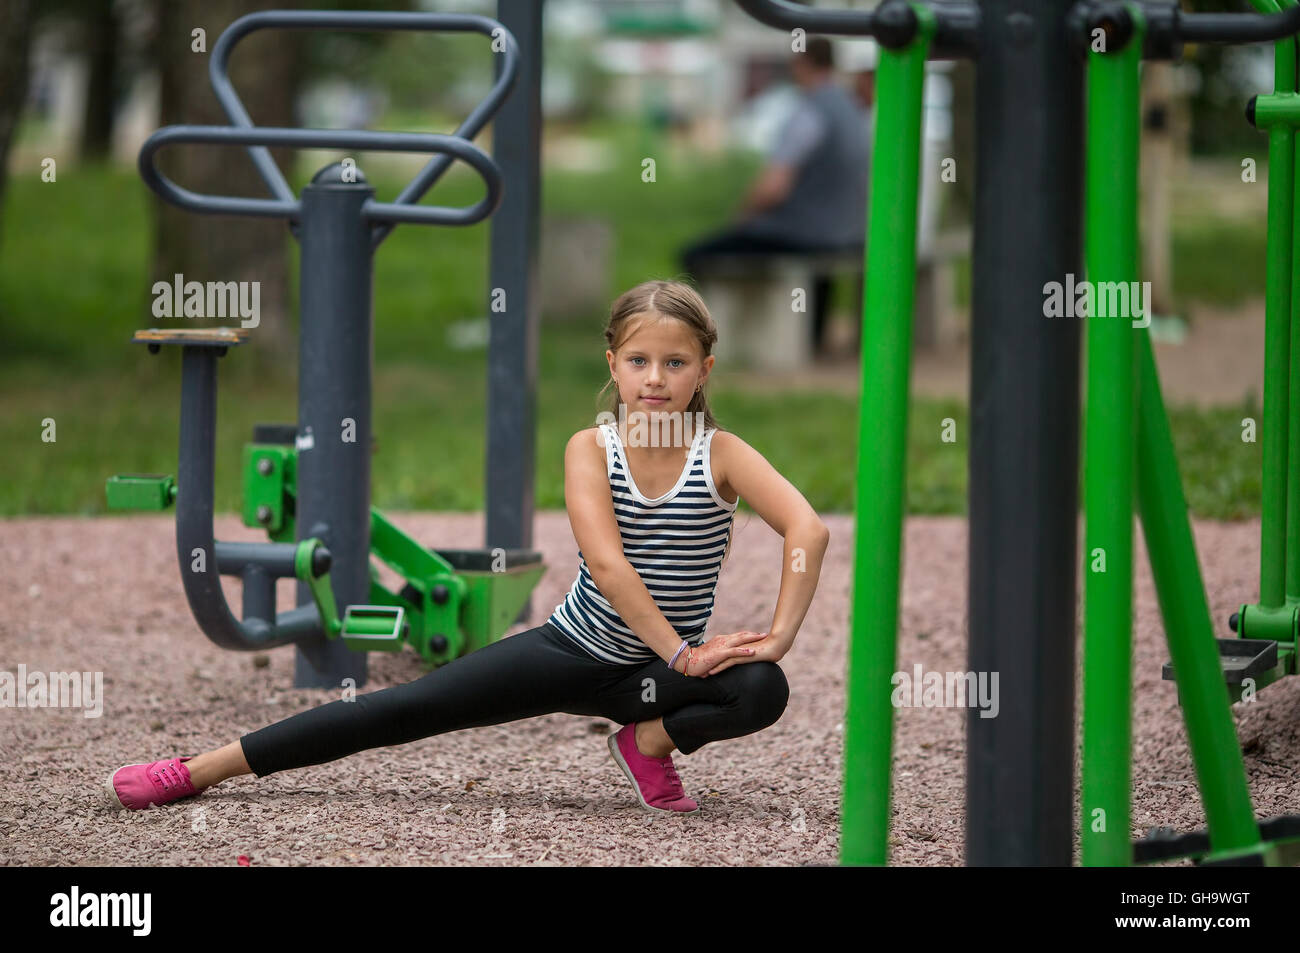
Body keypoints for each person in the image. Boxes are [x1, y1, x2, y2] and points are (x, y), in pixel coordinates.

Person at [104, 279, 831, 816]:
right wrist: (683, 653)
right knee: (394, 711)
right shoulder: (591, 449)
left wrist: (777, 638)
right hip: (571, 653)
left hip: (658, 675)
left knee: (762, 689)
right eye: (639, 361)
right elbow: (606, 565)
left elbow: (808, 529)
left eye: (676, 364)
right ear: (613, 365)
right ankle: (198, 770)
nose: (655, 379)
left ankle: (645, 746)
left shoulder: (723, 454)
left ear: (705, 370)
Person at [680, 36, 870, 358]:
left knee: (696, 254)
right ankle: (812, 339)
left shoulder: (809, 113)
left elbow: (774, 186)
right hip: (847, 232)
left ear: (800, 64)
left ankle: (708, 338)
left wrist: (744, 215)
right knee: (815, 264)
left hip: (804, 232)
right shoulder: (853, 111)